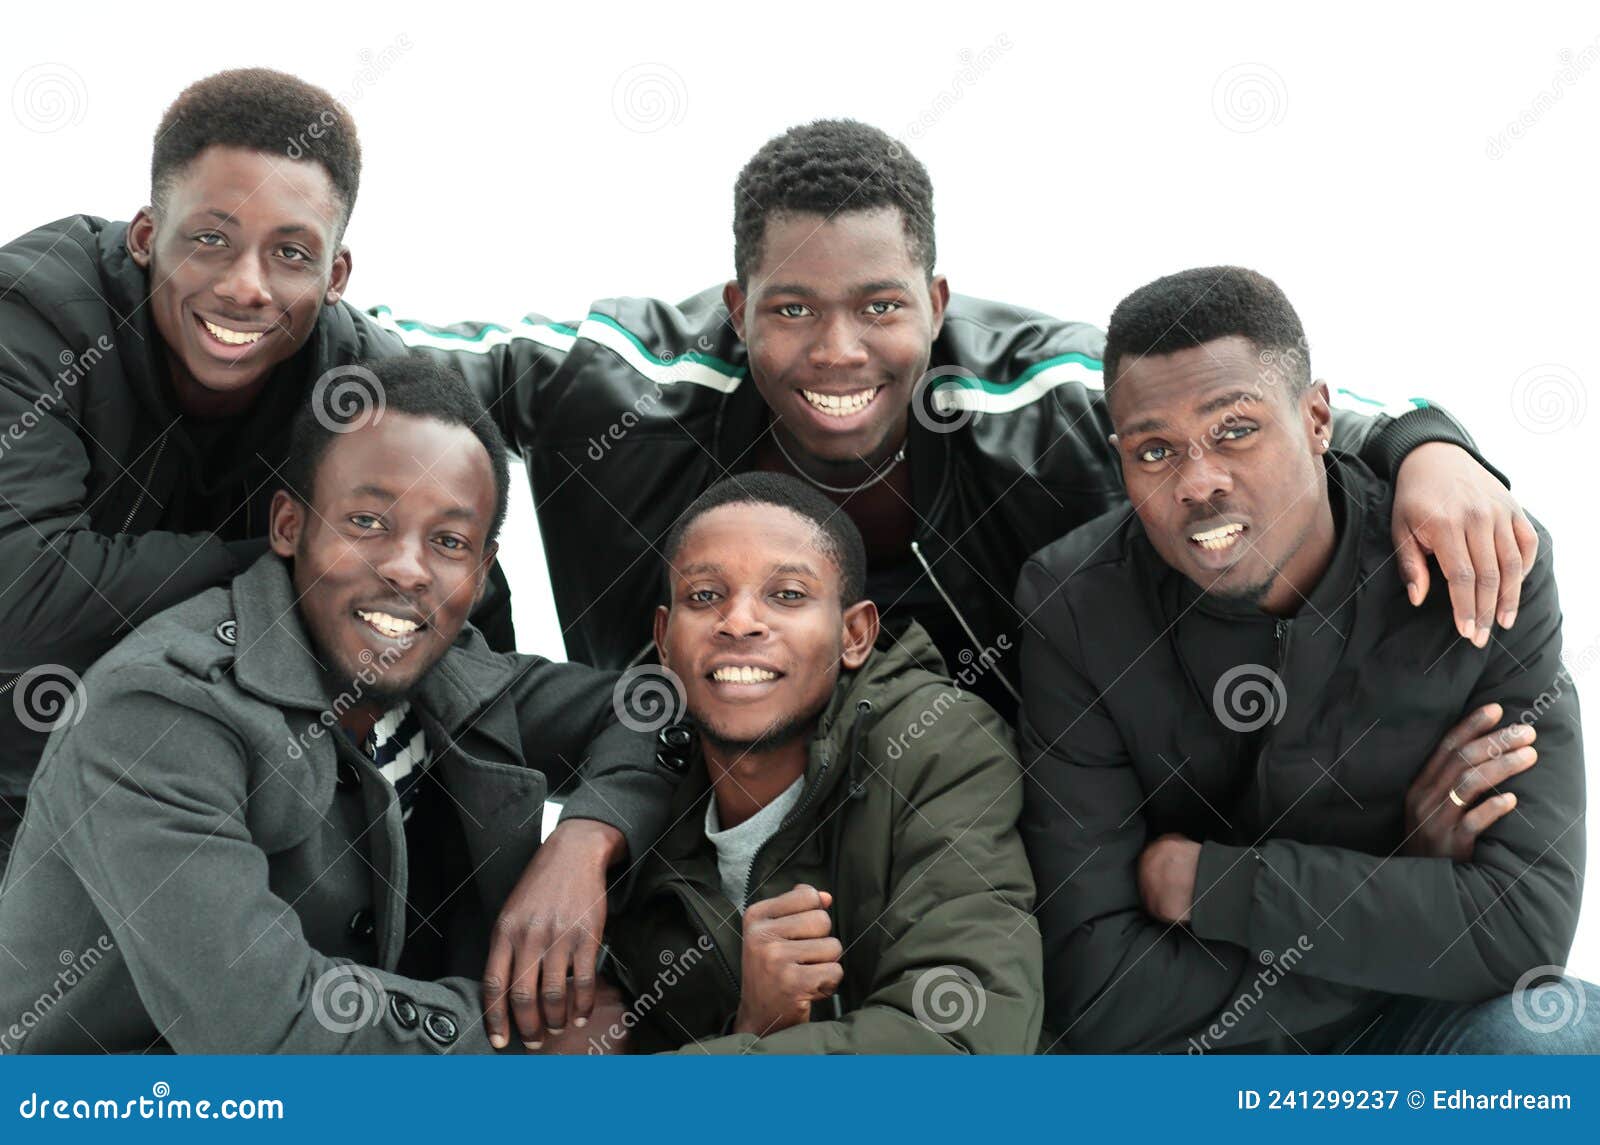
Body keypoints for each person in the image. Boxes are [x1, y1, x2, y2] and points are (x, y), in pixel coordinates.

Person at [391, 119, 1538, 1042]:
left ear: (937, 307)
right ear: (738, 314)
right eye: (791, 309)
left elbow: (1246, 404)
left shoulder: (1039, 403)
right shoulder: (627, 388)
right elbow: (364, 353)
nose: (839, 352)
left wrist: (1431, 443)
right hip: (705, 855)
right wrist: (590, 828)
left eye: (881, 307)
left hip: (979, 854)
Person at [0, 356, 667, 1053]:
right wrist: (519, 1036)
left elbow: (653, 710)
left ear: (481, 568)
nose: (408, 567)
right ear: (290, 525)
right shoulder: (156, 710)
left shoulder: (453, 670)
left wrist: (587, 838)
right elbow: (267, 1032)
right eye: (369, 521)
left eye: (448, 541)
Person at [1016, 266, 1594, 1054]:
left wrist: (1211, 884)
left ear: (1318, 417)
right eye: (1155, 451)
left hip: (1421, 1029)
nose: (1198, 482)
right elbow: (1101, 985)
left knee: (1551, 1038)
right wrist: (1408, 906)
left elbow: (1522, 934)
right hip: (1196, 1060)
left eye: (1235, 430)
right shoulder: (1076, 605)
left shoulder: (1479, 561)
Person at [0, 68, 514, 865]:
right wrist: (304, 563)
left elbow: (468, 628)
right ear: (144, 236)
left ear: (336, 276)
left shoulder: (366, 387)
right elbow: (17, 592)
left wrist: (553, 851)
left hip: (232, 806)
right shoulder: (30, 310)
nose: (246, 286)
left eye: (291, 254)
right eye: (210, 238)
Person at [600, 472, 1041, 1053]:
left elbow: (962, 1042)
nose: (738, 622)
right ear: (664, 638)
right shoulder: (639, 824)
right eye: (705, 596)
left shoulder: (941, 745)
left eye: (787, 595)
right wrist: (751, 1027)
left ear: (854, 634)